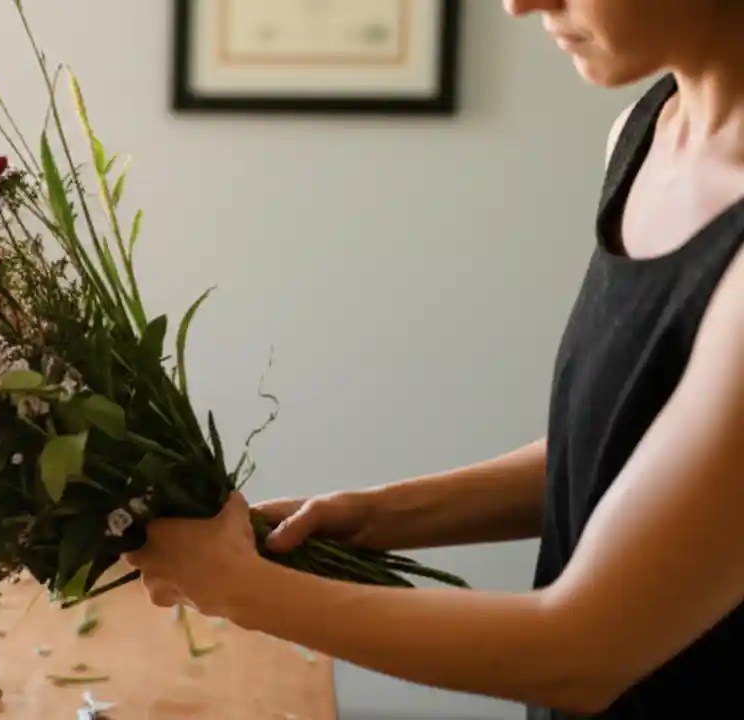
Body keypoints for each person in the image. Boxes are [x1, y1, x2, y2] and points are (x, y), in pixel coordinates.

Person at [123, 1, 744, 717]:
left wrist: (240, 590)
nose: (519, 3)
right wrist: (381, 515)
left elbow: (583, 652)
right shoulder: (647, 132)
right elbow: (628, 451)